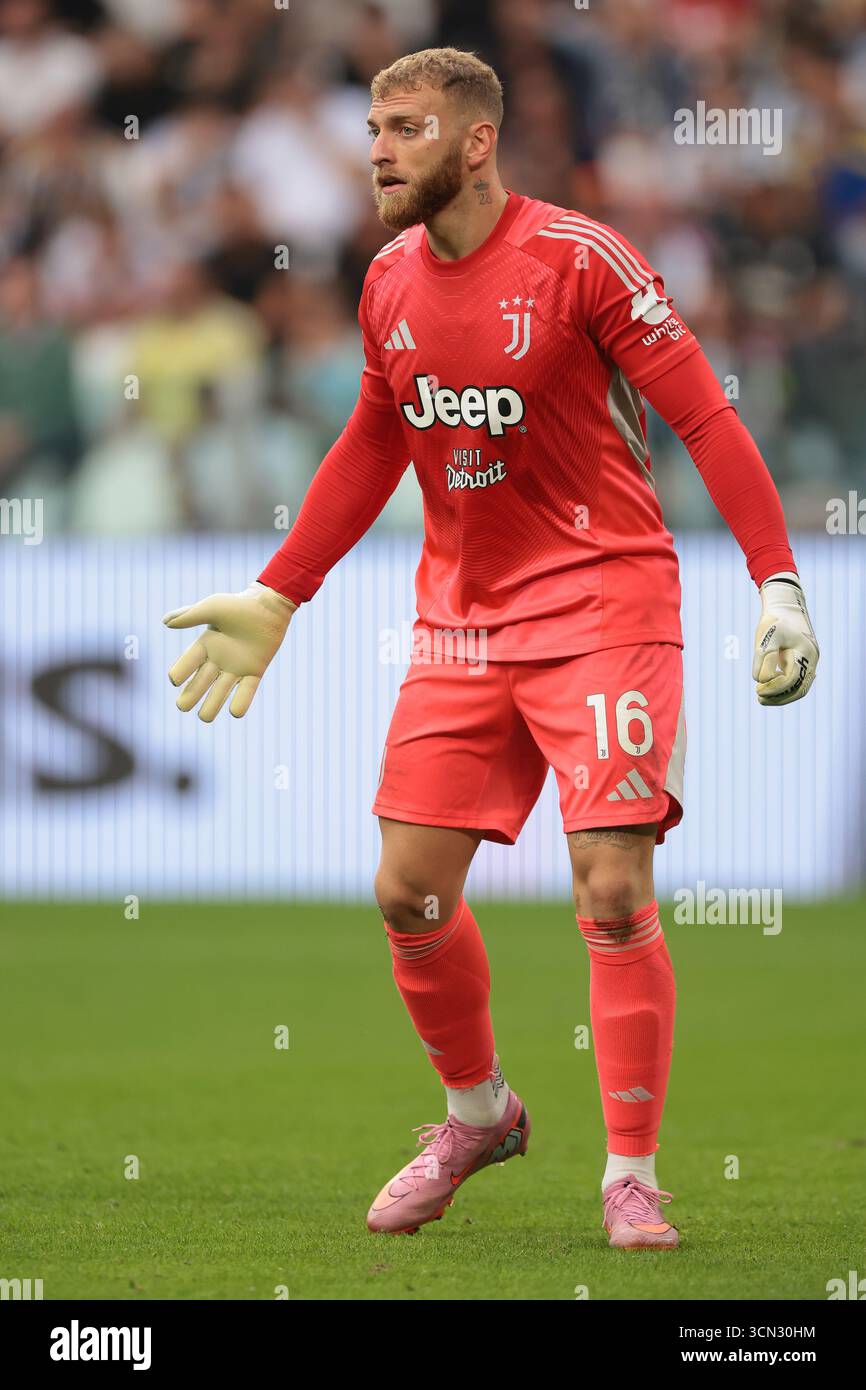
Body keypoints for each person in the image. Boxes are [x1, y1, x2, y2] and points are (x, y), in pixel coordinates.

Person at [163, 48, 819, 1249]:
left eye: (404, 126)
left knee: (610, 888)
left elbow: (703, 415)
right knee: (407, 894)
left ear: (474, 143)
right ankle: (477, 1115)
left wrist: (774, 580)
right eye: (370, 126)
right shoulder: (385, 282)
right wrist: (279, 593)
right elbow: (373, 441)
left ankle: (629, 1170)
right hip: (459, 622)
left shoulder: (581, 259)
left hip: (604, 604)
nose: (376, 148)